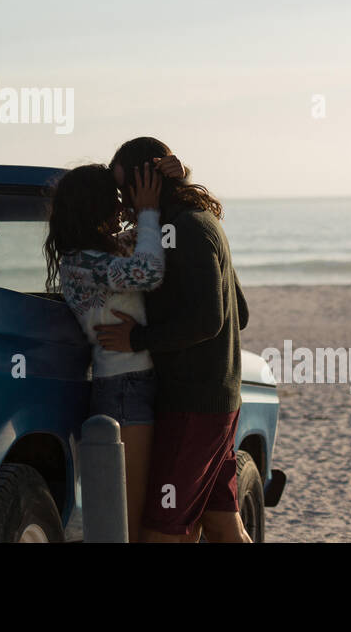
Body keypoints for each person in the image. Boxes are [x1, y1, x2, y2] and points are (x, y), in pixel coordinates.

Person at [95, 137, 252, 543]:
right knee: (222, 525)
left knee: (160, 531)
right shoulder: (198, 220)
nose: (121, 201)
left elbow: (209, 319)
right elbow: (241, 312)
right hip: (217, 403)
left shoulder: (185, 229)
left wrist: (138, 338)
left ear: (147, 179)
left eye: (123, 188)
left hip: (193, 407)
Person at [44, 162, 164, 542]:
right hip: (125, 388)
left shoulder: (95, 256)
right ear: (97, 207)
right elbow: (149, 270)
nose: (119, 207)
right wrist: (145, 211)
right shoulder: (86, 263)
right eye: (113, 200)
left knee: (133, 513)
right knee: (125, 521)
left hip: (127, 385)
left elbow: (141, 244)